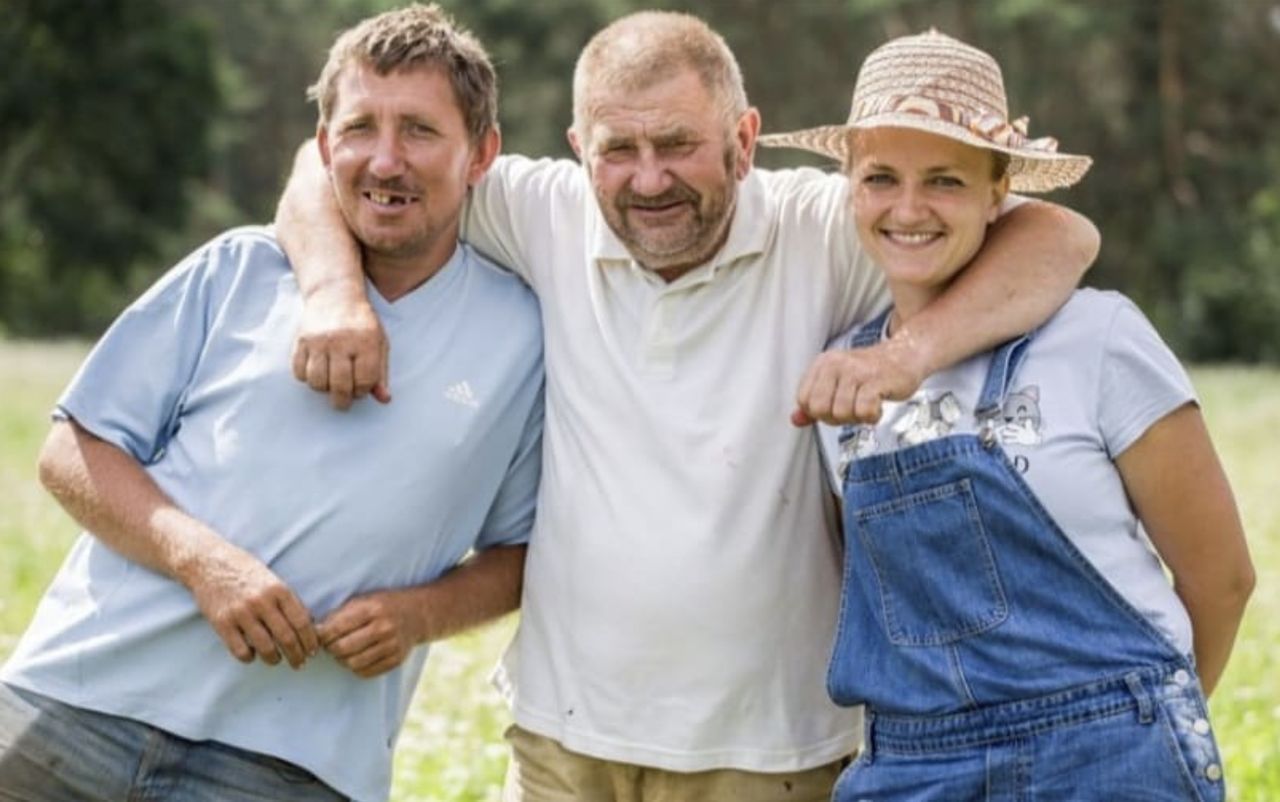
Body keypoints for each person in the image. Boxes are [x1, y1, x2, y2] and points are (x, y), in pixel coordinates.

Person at [275, 11, 1101, 801]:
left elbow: (1060, 236)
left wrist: (901, 357)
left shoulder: (821, 227)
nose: (648, 178)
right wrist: (335, 292)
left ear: (743, 141)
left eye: (677, 144)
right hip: (563, 738)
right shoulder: (544, 211)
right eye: (619, 149)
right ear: (579, 149)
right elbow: (323, 167)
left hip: (771, 751)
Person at [0, 6, 543, 802]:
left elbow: (524, 552)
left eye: (420, 132)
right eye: (360, 128)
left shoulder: (523, 337)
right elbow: (71, 450)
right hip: (77, 704)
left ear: (481, 153)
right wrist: (204, 562)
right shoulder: (236, 270)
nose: (384, 160)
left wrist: (421, 614)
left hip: (290, 767)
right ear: (325, 147)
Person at [759, 29, 1256, 801]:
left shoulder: (1098, 338)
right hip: (912, 766)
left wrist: (1138, 725)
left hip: (1110, 758)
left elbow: (1221, 579)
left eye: (947, 181)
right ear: (849, 186)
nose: (909, 208)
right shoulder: (840, 386)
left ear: (1001, 194)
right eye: (881, 177)